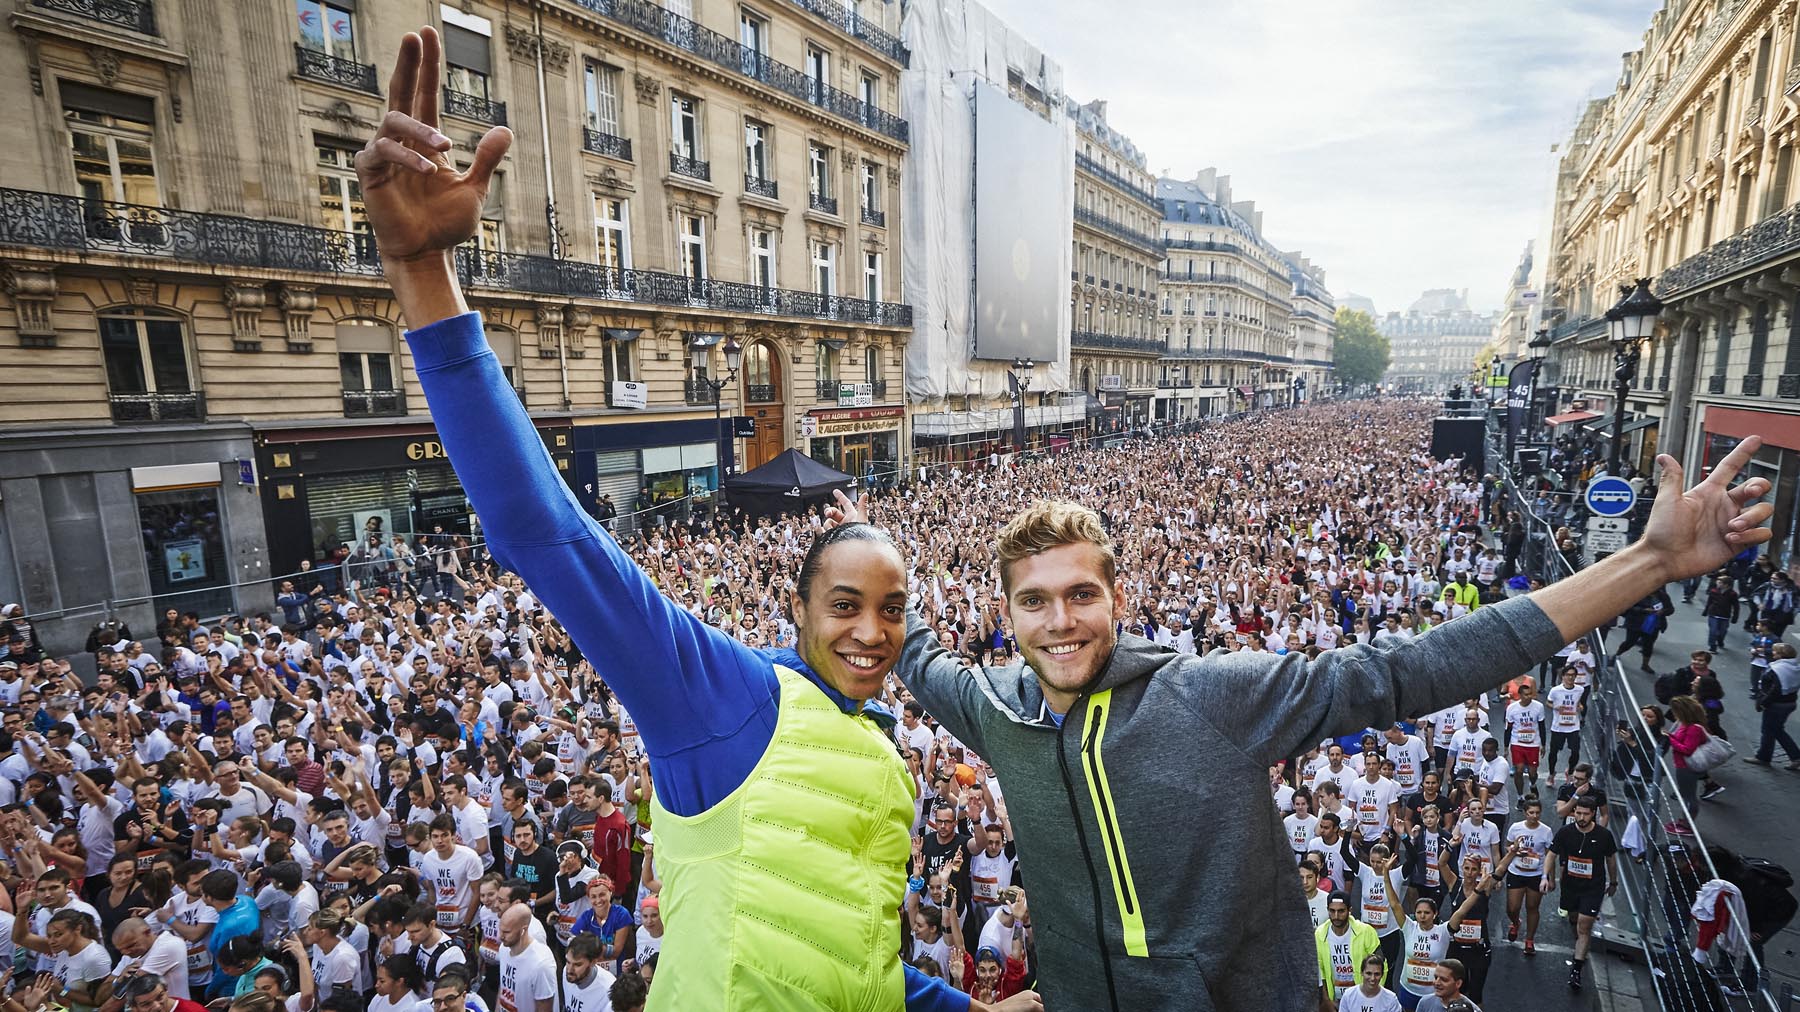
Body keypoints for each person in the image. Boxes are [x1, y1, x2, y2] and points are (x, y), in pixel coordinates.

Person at [352, 29, 1026, 1012]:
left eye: (891, 605)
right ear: (795, 610)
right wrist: (423, 277)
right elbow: (548, 534)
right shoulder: (726, 699)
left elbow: (853, 962)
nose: (871, 629)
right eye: (844, 600)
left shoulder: (886, 766)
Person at [860, 423, 1771, 1010]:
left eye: (1081, 593)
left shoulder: (1209, 694)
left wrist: (1647, 564)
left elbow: (1409, 670)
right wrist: (876, 560)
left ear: (1117, 596)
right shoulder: (993, 710)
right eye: (1035, 602)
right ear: (1006, 613)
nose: (1060, 621)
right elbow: (920, 652)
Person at [1545, 795, 1619, 991]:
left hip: (1593, 888)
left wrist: (1613, 881)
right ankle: (1580, 943)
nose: (1581, 817)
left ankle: (1576, 969)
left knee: (1584, 926)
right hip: (1570, 886)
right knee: (1575, 920)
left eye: (1585, 814)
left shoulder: (1604, 835)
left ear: (1593, 814)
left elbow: (1611, 859)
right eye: (1578, 813)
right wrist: (1546, 877)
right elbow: (1551, 854)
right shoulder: (1565, 832)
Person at [1746, 641, 1800, 770]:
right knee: (1773, 730)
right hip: (1789, 703)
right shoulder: (1795, 667)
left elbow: (1774, 690)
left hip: (1776, 705)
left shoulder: (1777, 669)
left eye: (1775, 651)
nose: (1773, 653)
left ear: (1781, 655)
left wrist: (1763, 703)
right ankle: (1765, 756)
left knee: (1772, 730)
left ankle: (1794, 756)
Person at [1334, 954, 1402, 1012]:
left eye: (1377, 974)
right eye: (1369, 973)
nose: (1373, 978)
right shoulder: (1348, 996)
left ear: (1382, 975)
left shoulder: (1391, 999)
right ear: (1361, 973)